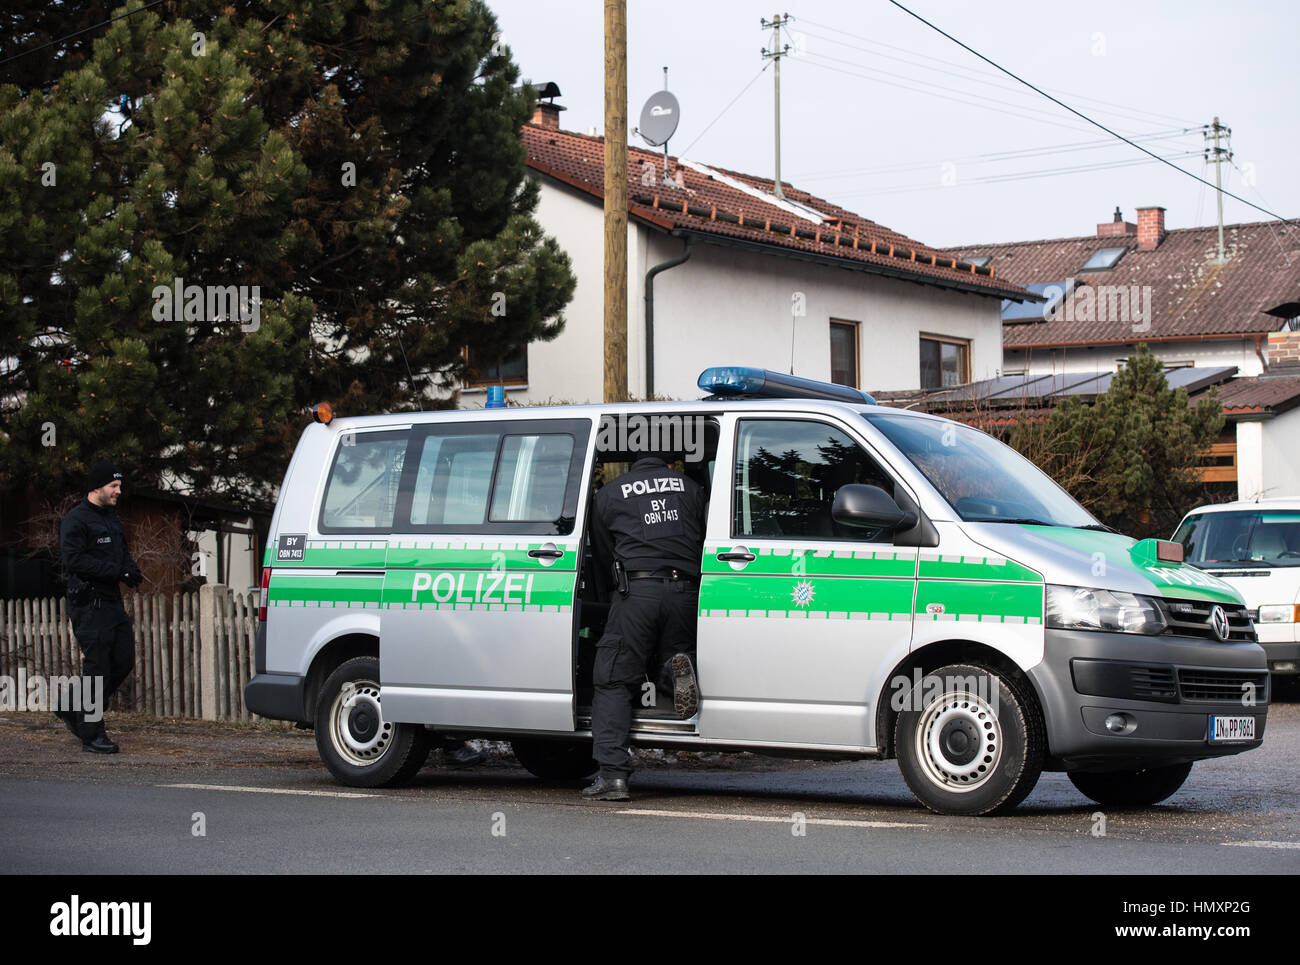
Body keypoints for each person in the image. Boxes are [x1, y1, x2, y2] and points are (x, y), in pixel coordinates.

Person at [582, 454, 707, 801]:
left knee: (613, 677)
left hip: (638, 590)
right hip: (686, 590)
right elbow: (701, 535)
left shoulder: (609, 493)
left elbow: (605, 553)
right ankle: (672, 667)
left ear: (631, 467)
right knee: (674, 649)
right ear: (669, 466)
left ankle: (613, 776)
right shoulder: (690, 488)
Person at [57, 460, 141, 753]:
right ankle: (92, 732)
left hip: (112, 603)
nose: (119, 491)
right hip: (88, 604)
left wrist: (131, 571)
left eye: (120, 485)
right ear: (97, 487)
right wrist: (116, 571)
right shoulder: (76, 520)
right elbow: (74, 561)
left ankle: (71, 705)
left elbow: (123, 555)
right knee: (98, 667)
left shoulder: (111, 519)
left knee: (123, 660)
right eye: (114, 486)